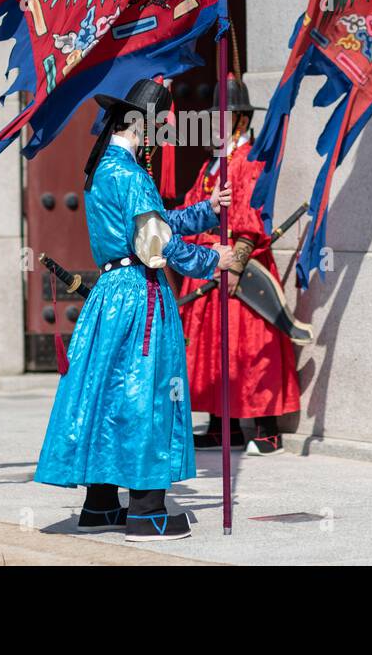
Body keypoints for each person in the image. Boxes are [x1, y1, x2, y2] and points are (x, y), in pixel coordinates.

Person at [35, 78, 235, 541]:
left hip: (110, 292)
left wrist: (205, 210)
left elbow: (149, 224)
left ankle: (101, 504)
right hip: (141, 294)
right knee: (147, 394)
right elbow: (155, 244)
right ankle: (148, 510)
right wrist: (212, 259)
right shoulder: (131, 174)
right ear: (140, 126)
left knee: (108, 392)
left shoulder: (105, 169)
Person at [180, 75, 300, 454]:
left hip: (239, 268)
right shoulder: (212, 164)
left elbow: (251, 217)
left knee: (249, 346)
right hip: (207, 263)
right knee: (214, 348)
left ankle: (267, 427)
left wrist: (235, 264)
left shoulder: (248, 162)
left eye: (223, 116)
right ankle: (222, 423)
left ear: (241, 120)